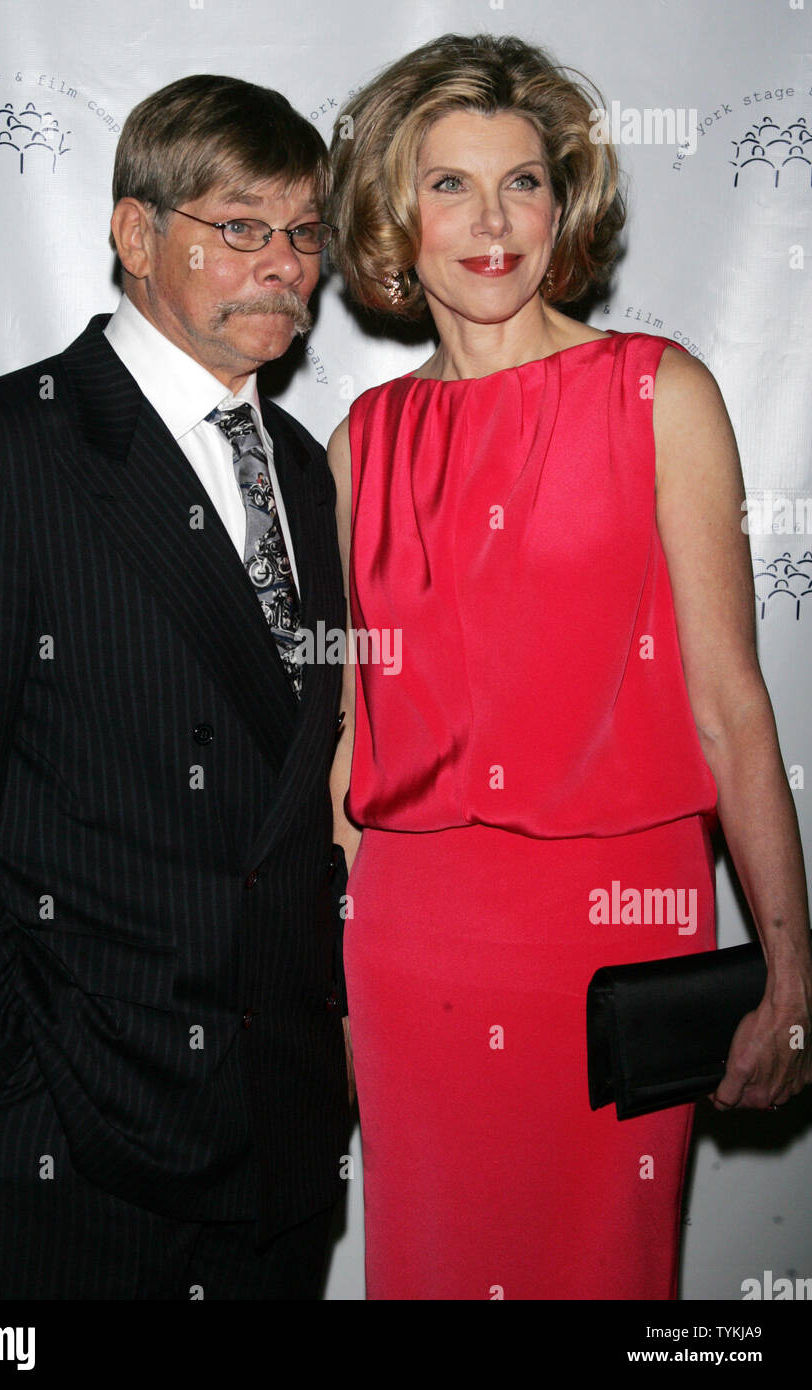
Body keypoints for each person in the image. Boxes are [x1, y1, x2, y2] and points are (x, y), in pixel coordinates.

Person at [325, 33, 812, 1300]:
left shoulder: (657, 395)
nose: (491, 223)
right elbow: (346, 738)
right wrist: (311, 966)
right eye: (448, 185)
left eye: (522, 183)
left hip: (613, 934)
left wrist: (792, 970)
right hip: (411, 940)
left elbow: (729, 710)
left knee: (600, 1271)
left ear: (565, 203)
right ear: (392, 211)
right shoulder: (357, 444)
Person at [0, 73, 352, 1300]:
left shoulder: (305, 473)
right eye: (240, 226)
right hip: (78, 1142)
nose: (286, 264)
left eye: (305, 232)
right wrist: (8, 1096)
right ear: (136, 234)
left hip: (282, 1133)